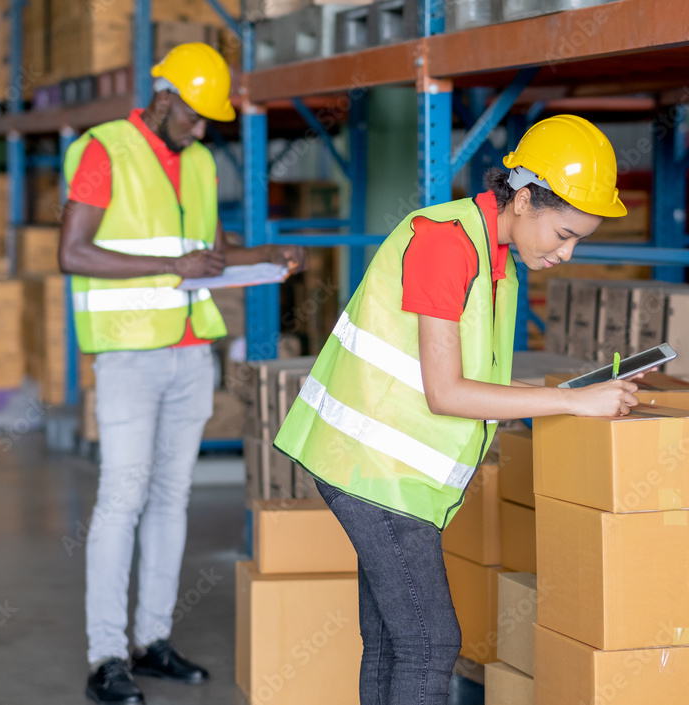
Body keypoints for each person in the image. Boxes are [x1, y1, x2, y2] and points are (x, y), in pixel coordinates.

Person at [274, 115, 643, 704]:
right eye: (563, 233)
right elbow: (445, 393)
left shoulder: (497, 259)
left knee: (395, 640)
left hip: (387, 472)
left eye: (579, 241)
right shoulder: (447, 243)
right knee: (431, 644)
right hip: (371, 469)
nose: (566, 253)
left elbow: (469, 378)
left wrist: (574, 395)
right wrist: (570, 403)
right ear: (523, 200)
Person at [59, 43, 302, 705]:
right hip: (130, 358)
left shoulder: (195, 164)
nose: (201, 131)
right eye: (195, 118)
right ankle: (106, 655)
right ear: (164, 97)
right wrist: (172, 272)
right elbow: (72, 252)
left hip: (191, 354)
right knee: (121, 501)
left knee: (170, 501)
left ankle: (152, 641)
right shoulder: (103, 149)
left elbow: (211, 255)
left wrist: (269, 256)